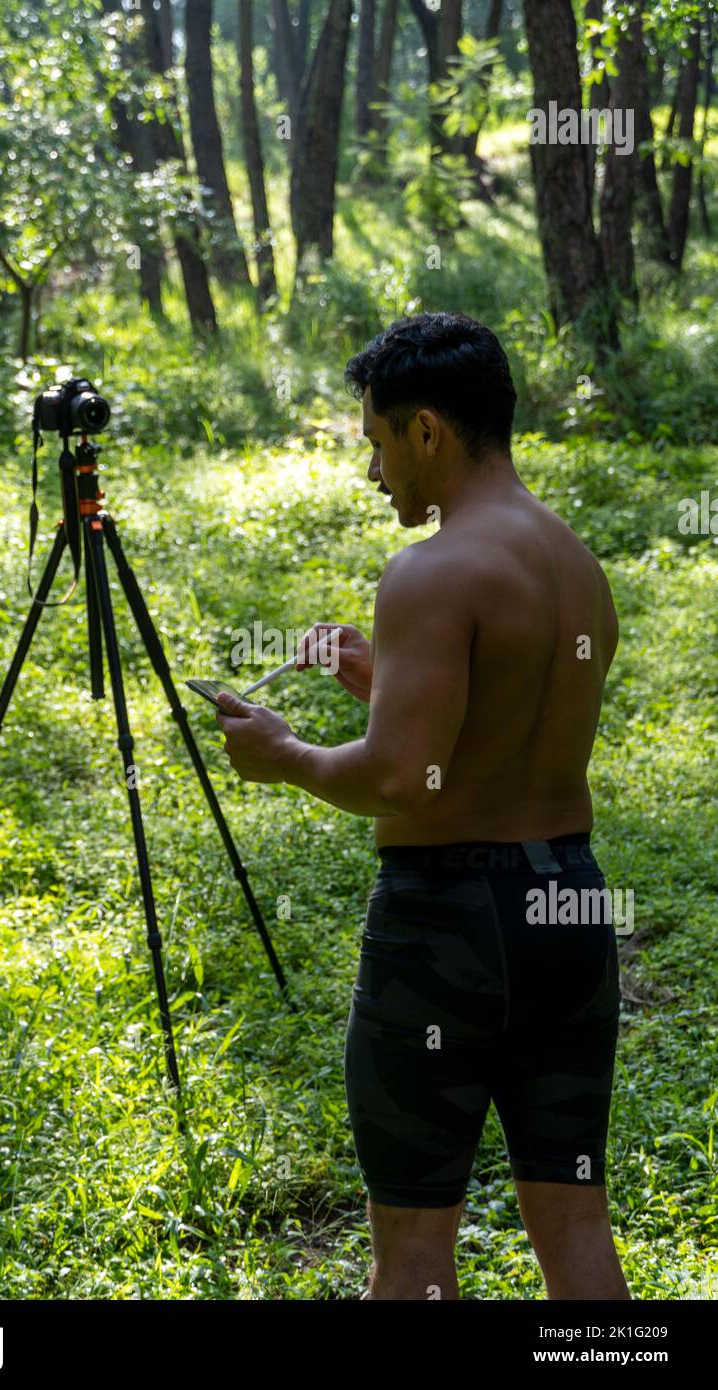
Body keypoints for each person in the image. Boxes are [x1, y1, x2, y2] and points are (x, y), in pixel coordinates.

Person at [215, 312, 628, 1301]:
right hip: (568, 909)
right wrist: (390, 687)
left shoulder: (429, 571)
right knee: (572, 1224)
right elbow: (495, 730)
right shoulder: (572, 563)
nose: (374, 472)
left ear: (427, 430)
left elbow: (402, 781)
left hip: (447, 924)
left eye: (375, 441)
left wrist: (283, 755)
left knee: (410, 1255)